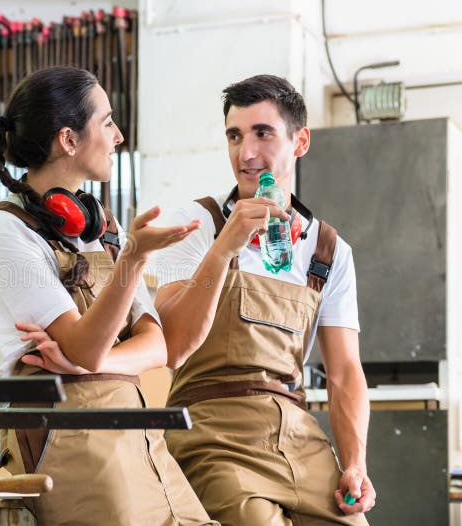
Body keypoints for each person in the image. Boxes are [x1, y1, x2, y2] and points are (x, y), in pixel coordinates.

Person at [0, 66, 217, 525]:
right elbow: (85, 344)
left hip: (137, 432)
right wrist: (134, 260)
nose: (118, 136)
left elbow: (158, 346)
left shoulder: (104, 230)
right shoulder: (2, 231)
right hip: (66, 437)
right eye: (107, 122)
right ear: (68, 139)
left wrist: (93, 360)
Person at [149, 74, 376, 525]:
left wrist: (354, 463)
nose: (245, 153)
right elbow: (171, 344)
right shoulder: (195, 224)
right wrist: (225, 247)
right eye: (235, 136)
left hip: (296, 433)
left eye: (262, 133)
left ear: (300, 141)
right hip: (212, 433)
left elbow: (346, 371)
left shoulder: (328, 250)